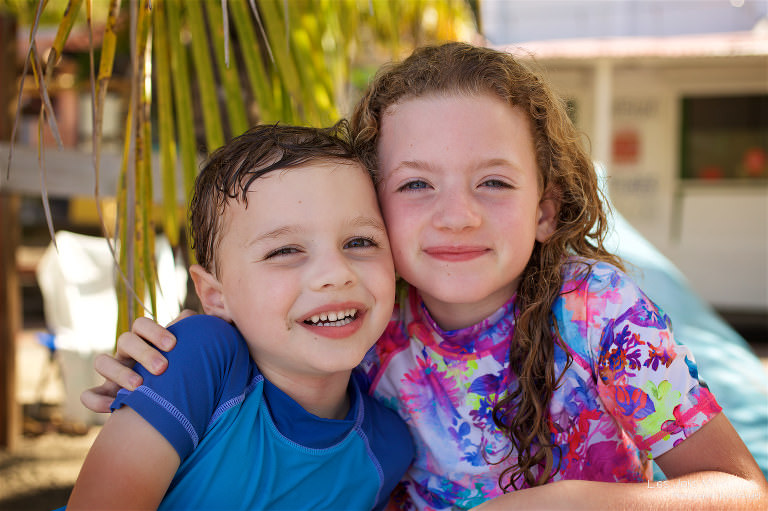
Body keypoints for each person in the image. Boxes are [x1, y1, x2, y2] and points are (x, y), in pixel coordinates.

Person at [82, 42, 768, 510]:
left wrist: (579, 501)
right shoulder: (366, 312)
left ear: (545, 207)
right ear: (374, 205)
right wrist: (156, 357)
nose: (457, 216)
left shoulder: (598, 312)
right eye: (415, 185)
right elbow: (259, 354)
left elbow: (744, 491)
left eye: (494, 181)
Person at [66, 123, 414, 510]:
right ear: (215, 296)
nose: (336, 273)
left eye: (360, 242)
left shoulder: (389, 448)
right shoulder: (201, 359)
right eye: (284, 251)